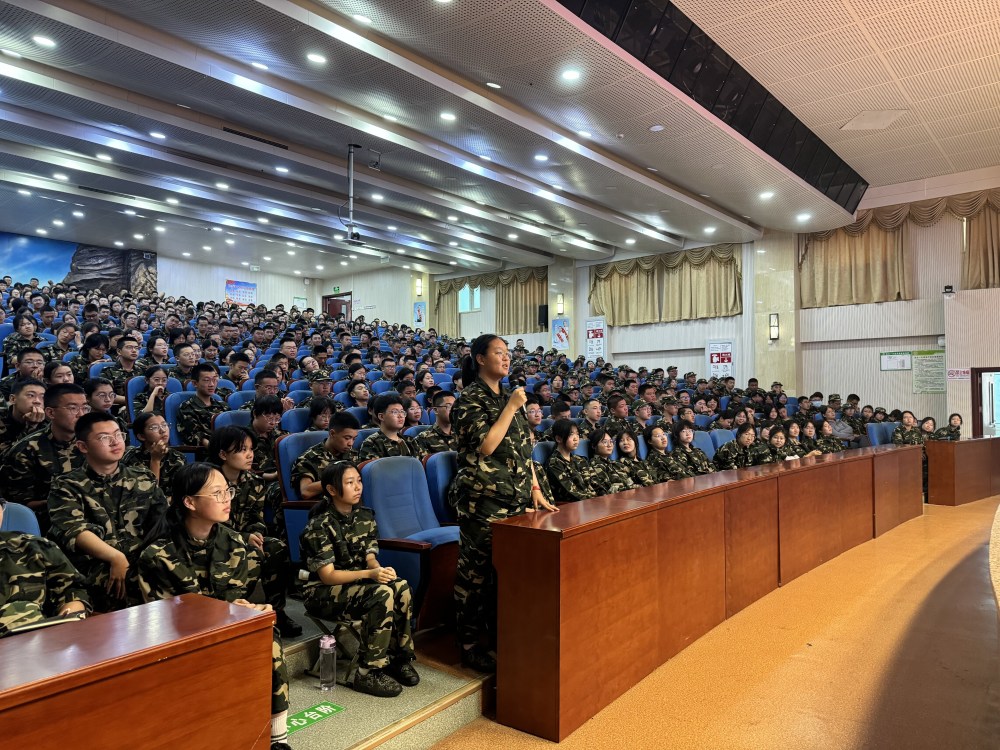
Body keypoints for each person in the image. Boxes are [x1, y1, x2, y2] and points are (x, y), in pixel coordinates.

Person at [137, 463, 292, 750]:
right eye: (218, 493)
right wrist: (232, 611)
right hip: (178, 643)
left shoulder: (233, 541)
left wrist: (248, 611)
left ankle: (277, 737)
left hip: (222, 629)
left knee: (267, 635)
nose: (227, 499)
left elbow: (233, 596)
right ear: (189, 502)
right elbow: (162, 620)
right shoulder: (158, 555)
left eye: (228, 491)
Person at [449, 334, 557, 673]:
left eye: (508, 354)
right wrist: (510, 407)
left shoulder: (513, 398)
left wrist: (535, 487)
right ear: (480, 358)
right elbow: (486, 447)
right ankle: (467, 645)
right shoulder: (470, 399)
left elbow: (524, 449)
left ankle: (497, 639)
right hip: (482, 500)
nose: (506, 359)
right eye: (499, 353)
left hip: (515, 496)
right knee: (476, 576)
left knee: (505, 574)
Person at [298, 461, 418, 697]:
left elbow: (370, 555)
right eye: (350, 483)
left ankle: (398, 657)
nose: (357, 487)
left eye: (359, 481)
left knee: (400, 586)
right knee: (381, 594)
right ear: (332, 490)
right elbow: (329, 576)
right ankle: (367, 672)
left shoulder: (365, 516)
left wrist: (379, 570)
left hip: (355, 585)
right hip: (321, 592)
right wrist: (370, 575)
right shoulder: (319, 525)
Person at [47, 412, 166, 611]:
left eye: (118, 435)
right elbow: (74, 530)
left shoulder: (142, 477)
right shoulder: (67, 485)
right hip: (94, 568)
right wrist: (116, 557)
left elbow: (163, 524)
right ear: (83, 447)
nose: (114, 442)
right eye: (104, 438)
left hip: (143, 564)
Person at [206, 426, 301, 637]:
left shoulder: (254, 482)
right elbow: (206, 524)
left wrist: (255, 533)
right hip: (213, 541)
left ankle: (278, 611)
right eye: (242, 450)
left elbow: (255, 518)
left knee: (276, 547)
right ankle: (234, 612)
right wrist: (243, 537)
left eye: (251, 449)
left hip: (243, 538)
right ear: (223, 454)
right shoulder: (207, 481)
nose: (250, 455)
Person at [0, 497, 91, 637]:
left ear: (2, 511)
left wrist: (72, 611)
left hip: (40, 644)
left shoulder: (35, 547)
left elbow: (73, 590)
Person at [2, 383, 89, 524]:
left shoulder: (91, 441)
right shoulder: (25, 451)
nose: (81, 414)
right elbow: (19, 507)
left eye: (85, 408)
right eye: (73, 408)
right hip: (48, 521)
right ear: (50, 413)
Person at [293, 412, 361, 502]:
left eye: (354, 438)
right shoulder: (310, 457)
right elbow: (306, 491)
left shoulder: (352, 453)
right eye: (347, 438)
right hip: (327, 509)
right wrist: (338, 480)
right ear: (332, 434)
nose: (351, 443)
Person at [357, 393, 425, 461]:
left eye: (402, 412)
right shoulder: (371, 444)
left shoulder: (410, 441)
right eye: (395, 412)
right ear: (381, 416)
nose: (400, 416)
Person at [176, 363, 229, 451]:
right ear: (195, 383)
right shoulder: (187, 408)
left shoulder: (223, 406)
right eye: (206, 380)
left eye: (214, 380)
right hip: (205, 453)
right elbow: (199, 438)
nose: (212, 384)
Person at [545, 419, 597, 503]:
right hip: (570, 507)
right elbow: (571, 493)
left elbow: (594, 483)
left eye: (577, 434)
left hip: (589, 503)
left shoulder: (580, 460)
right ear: (558, 439)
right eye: (571, 434)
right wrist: (596, 500)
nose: (576, 438)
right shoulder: (554, 464)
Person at [0, 378, 47, 454]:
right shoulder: (2, 422)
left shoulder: (50, 422)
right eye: (31, 395)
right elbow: (6, 458)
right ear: (13, 399)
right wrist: (31, 427)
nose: (37, 401)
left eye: (42, 397)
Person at [587, 427, 636, 495]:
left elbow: (631, 482)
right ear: (594, 446)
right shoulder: (594, 466)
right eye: (605, 442)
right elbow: (606, 491)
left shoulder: (616, 464)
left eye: (611, 441)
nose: (609, 445)